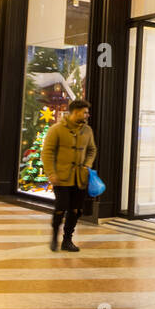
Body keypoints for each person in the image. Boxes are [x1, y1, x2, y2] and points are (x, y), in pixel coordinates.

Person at [41, 99, 97, 252]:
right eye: (85, 112)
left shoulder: (87, 131)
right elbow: (47, 153)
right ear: (76, 112)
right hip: (61, 177)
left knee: (76, 210)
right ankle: (54, 237)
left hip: (80, 178)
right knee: (61, 207)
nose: (87, 115)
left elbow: (92, 150)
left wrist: (87, 165)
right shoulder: (57, 129)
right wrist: (51, 173)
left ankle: (67, 240)